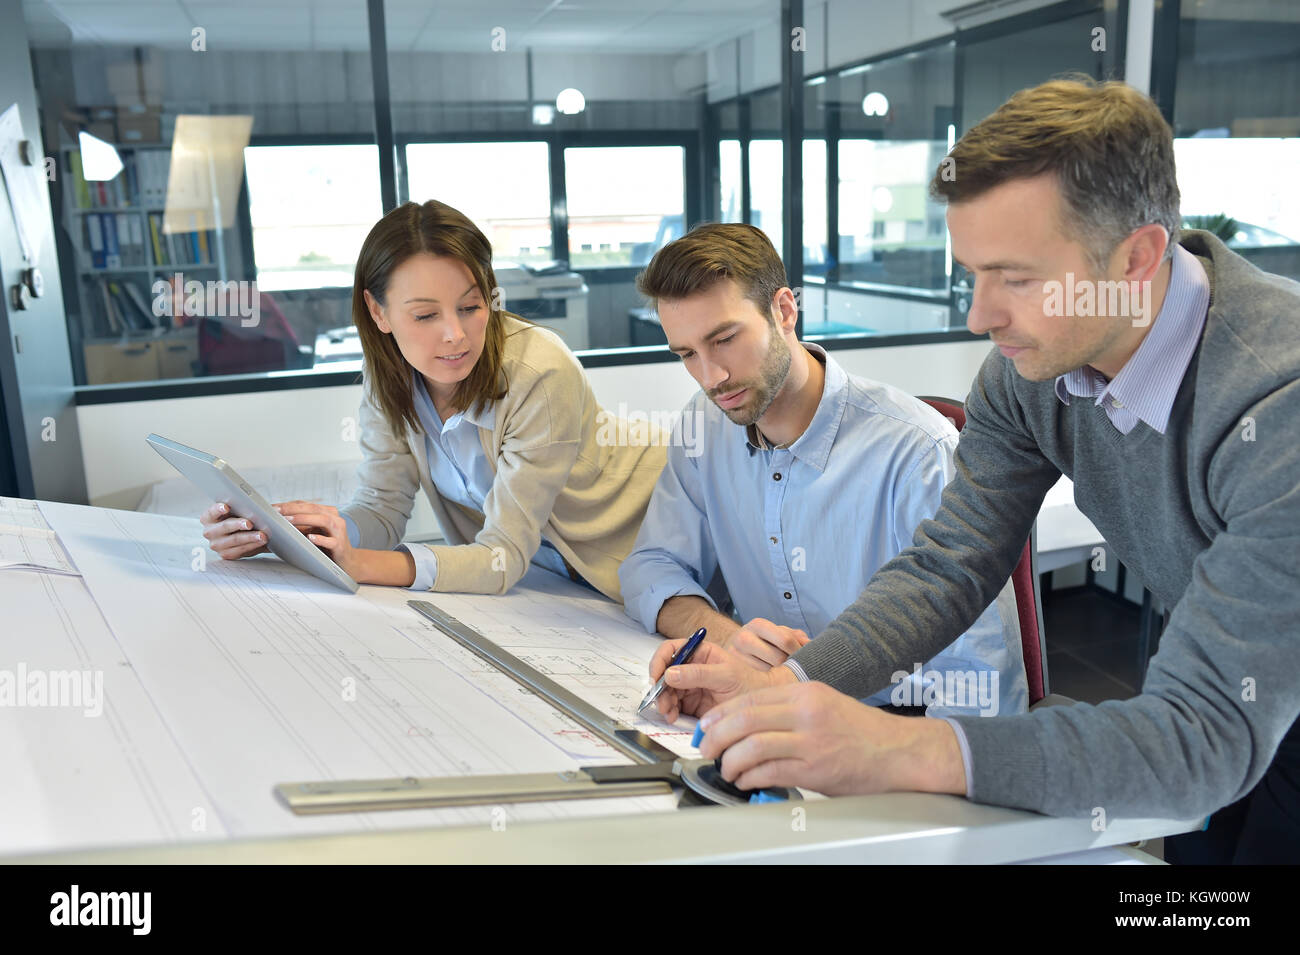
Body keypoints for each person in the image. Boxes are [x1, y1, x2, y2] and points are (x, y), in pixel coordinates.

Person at [650, 77, 1300, 864]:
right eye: (973, 273)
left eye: (1015, 277)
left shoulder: (1278, 404)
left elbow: (1203, 731)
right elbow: (948, 562)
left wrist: (899, 749)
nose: (978, 315)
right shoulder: (1028, 375)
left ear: (1136, 258)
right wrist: (790, 684)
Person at [622, 223, 1027, 720]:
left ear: (784, 311)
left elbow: (984, 682)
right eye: (687, 354)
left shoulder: (916, 453)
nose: (711, 377)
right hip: (770, 698)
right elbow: (649, 570)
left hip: (898, 723)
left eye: (724, 339)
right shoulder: (704, 425)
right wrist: (730, 639)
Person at [201, 199, 666, 600]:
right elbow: (383, 507)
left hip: (642, 542)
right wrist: (303, 537)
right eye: (425, 314)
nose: (455, 335)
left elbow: (500, 559)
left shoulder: (539, 372)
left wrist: (359, 564)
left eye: (471, 306)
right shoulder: (388, 376)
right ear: (378, 311)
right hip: (550, 578)